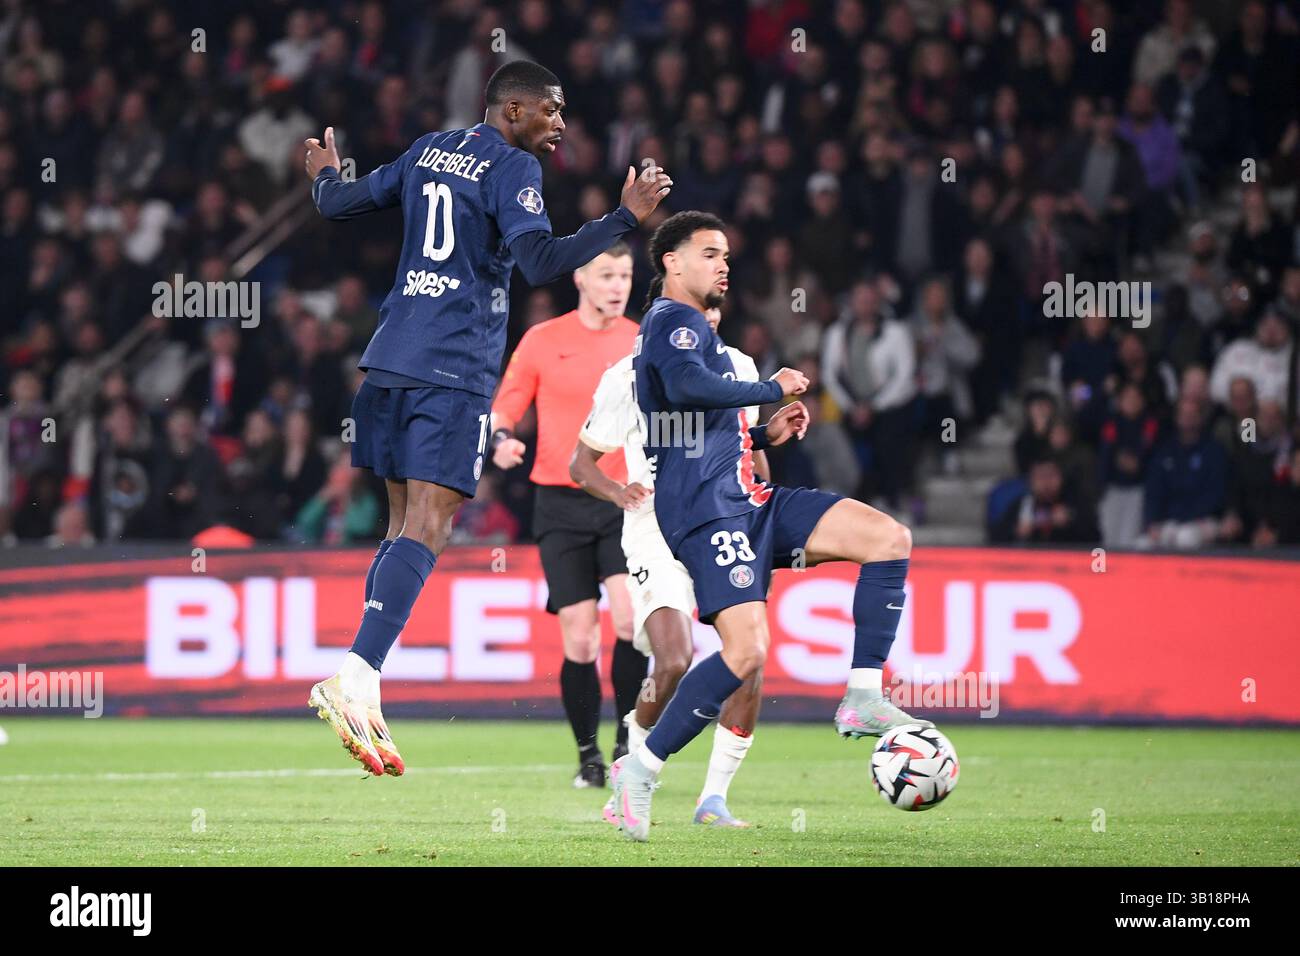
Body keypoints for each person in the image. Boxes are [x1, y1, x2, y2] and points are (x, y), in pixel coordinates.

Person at [301, 59, 671, 777]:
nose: (561, 125)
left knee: (402, 525)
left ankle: (364, 681)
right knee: (432, 528)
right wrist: (625, 219)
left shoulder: (424, 149)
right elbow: (538, 262)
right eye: (551, 111)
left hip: (387, 365)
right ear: (512, 111)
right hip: (450, 371)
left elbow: (337, 206)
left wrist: (324, 175)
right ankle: (356, 672)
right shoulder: (512, 169)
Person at [610, 211, 929, 842]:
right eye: (709, 253)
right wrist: (766, 386)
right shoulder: (668, 322)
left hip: (754, 497)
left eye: (726, 254)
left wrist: (762, 431)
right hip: (705, 511)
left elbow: (698, 422)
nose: (723, 264)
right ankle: (639, 769)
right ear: (671, 261)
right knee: (748, 651)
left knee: (889, 538)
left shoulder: (700, 332)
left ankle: (862, 694)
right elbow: (690, 387)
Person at [571, 306, 768, 828]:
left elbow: (751, 450)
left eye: (708, 314)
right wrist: (618, 490)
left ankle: (714, 799)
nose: (701, 324)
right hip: (655, 529)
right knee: (674, 660)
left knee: (748, 659)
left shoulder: (741, 368)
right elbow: (581, 463)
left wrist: (769, 463)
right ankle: (632, 776)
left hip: (723, 522)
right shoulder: (627, 374)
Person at [489, 244, 642, 788]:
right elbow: (505, 405)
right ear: (580, 278)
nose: (617, 285)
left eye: (624, 275)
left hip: (622, 498)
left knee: (628, 619)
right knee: (580, 639)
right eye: (606, 275)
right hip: (558, 501)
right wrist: (503, 440)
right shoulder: (542, 340)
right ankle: (588, 758)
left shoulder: (640, 340)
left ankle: (627, 745)